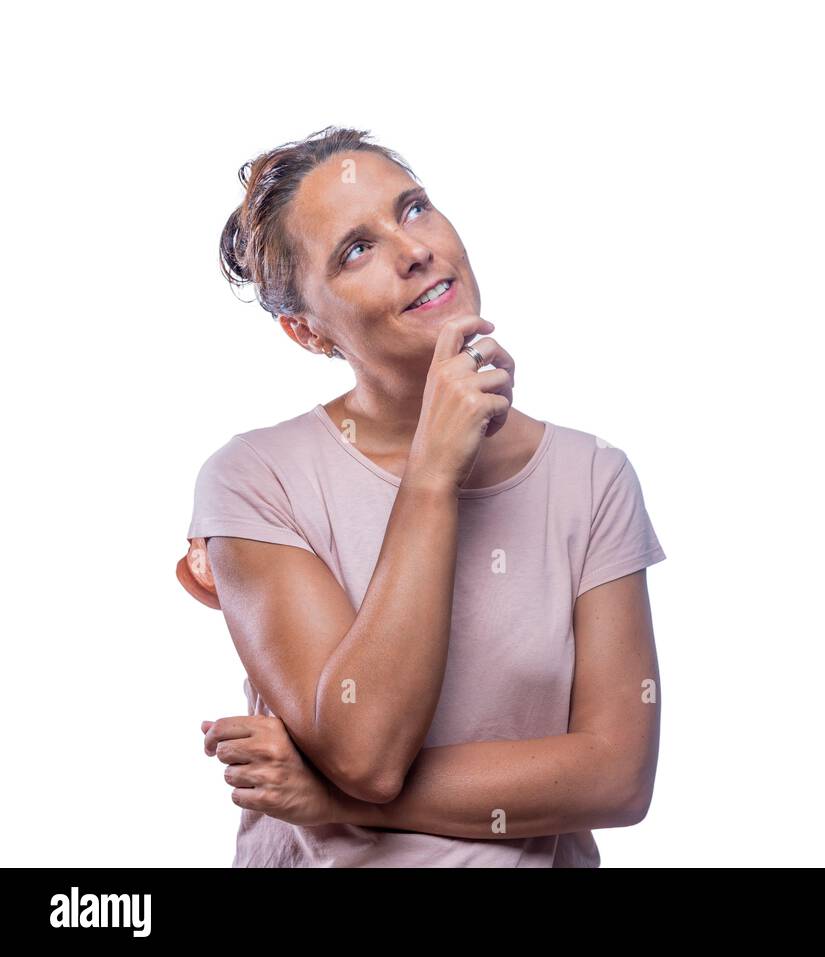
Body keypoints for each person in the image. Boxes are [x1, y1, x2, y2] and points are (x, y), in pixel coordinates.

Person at [179, 126, 667, 867]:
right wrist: (433, 470)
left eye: (413, 209)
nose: (413, 250)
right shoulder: (255, 479)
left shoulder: (593, 476)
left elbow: (617, 776)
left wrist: (334, 797)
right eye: (355, 249)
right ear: (306, 332)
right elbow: (367, 748)